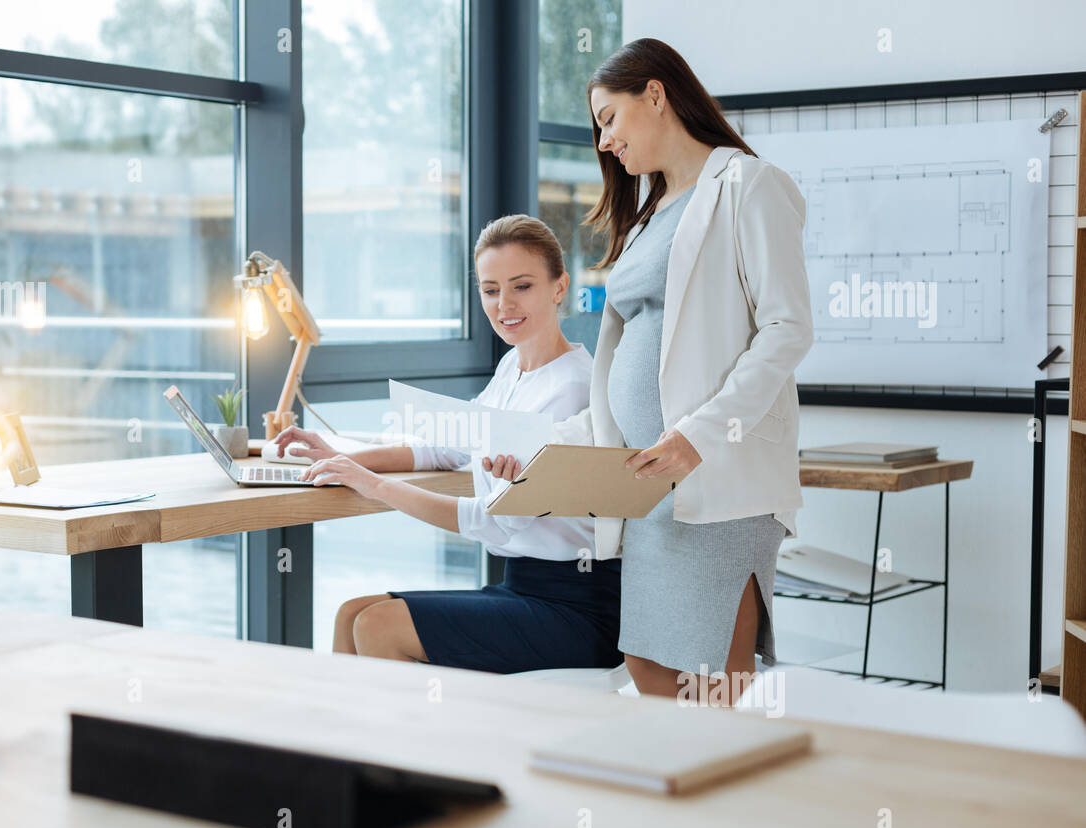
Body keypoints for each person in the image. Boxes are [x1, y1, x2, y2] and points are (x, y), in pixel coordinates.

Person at [553, 37, 814, 702]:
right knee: (650, 669)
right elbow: (630, 352)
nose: (604, 141)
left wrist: (697, 436)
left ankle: (728, 804)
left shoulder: (749, 185)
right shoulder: (650, 215)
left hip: (719, 487)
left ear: (656, 94)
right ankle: (684, 797)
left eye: (608, 118)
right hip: (650, 494)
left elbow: (787, 329)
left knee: (715, 686)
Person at [270, 215, 622, 674]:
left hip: (576, 606)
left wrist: (374, 485)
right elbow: (445, 448)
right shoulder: (512, 368)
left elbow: (495, 524)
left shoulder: (571, 386)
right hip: (521, 587)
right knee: (350, 615)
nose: (504, 305)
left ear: (559, 288)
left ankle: (407, 744)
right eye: (490, 290)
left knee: (378, 626)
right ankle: (346, 745)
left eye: (522, 287)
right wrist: (343, 458)